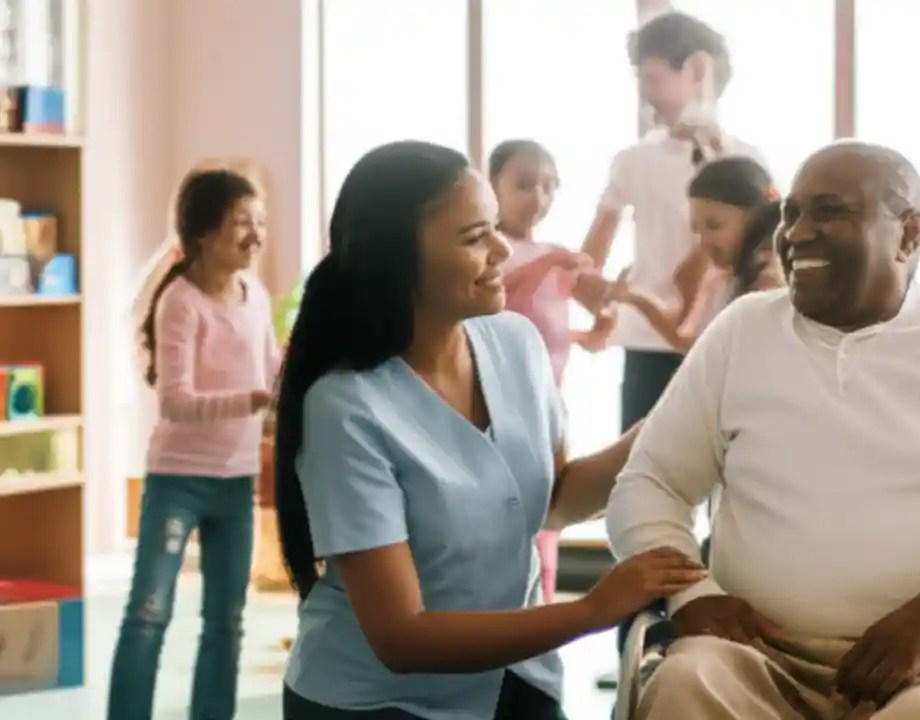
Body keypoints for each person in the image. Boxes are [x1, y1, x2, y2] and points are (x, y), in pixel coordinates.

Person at [606, 140, 920, 719]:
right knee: (682, 685)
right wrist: (693, 595)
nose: (796, 234)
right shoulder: (741, 333)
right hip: (752, 654)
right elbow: (649, 485)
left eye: (830, 212)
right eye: (791, 214)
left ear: (909, 235)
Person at [273, 140, 706, 720]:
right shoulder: (346, 408)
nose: (503, 249)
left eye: (495, 228)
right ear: (397, 260)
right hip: (378, 701)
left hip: (513, 677)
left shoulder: (515, 342)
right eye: (475, 237)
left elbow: (553, 498)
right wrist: (592, 610)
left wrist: (676, 418)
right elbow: (401, 638)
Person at [108, 169, 278, 720]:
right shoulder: (180, 302)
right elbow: (176, 401)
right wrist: (252, 400)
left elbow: (273, 370)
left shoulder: (257, 296)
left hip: (237, 482)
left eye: (261, 223)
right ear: (205, 233)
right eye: (241, 224)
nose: (255, 235)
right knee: (148, 614)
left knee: (226, 620)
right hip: (178, 480)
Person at [577, 10, 763, 431]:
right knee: (638, 470)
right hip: (647, 345)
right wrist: (598, 294)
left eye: (653, 79)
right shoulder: (634, 161)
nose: (646, 95)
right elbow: (588, 263)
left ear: (698, 70)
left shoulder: (748, 164)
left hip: (725, 343)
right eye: (640, 81)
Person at [488, 138, 616, 605]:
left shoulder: (552, 254)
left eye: (548, 187)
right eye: (524, 185)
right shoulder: (493, 248)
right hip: (500, 404)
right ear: (492, 186)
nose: (537, 197)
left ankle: (540, 606)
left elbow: (584, 326)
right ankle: (503, 613)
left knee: (549, 510)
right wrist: (552, 262)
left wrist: (604, 320)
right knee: (510, 510)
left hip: (550, 407)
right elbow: (497, 296)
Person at [612, 156, 784, 352]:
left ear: (757, 218)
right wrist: (634, 298)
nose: (704, 243)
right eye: (697, 230)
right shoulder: (719, 280)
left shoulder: (773, 286)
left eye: (714, 226)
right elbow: (691, 345)